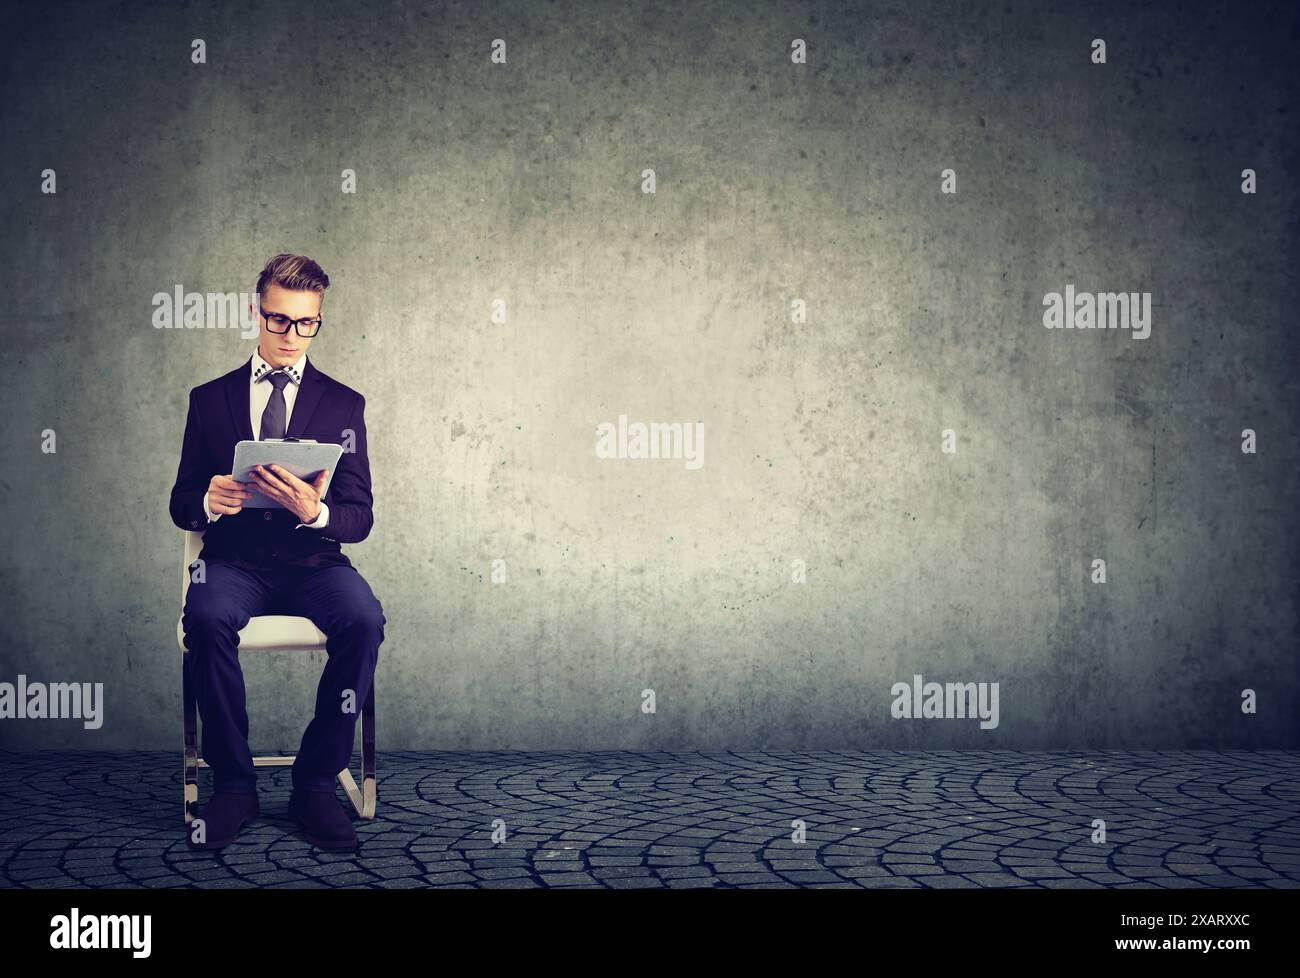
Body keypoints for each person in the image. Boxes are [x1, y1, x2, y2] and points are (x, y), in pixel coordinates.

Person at [170, 253, 384, 851]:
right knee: (206, 616)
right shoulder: (208, 400)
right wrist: (209, 500)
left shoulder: (345, 405)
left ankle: (315, 784)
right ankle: (234, 786)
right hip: (234, 563)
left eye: (306, 323)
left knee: (365, 619)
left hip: (313, 562)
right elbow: (181, 501)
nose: (291, 336)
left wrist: (314, 512)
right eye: (279, 320)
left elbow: (359, 516)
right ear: (255, 313)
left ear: (318, 319)